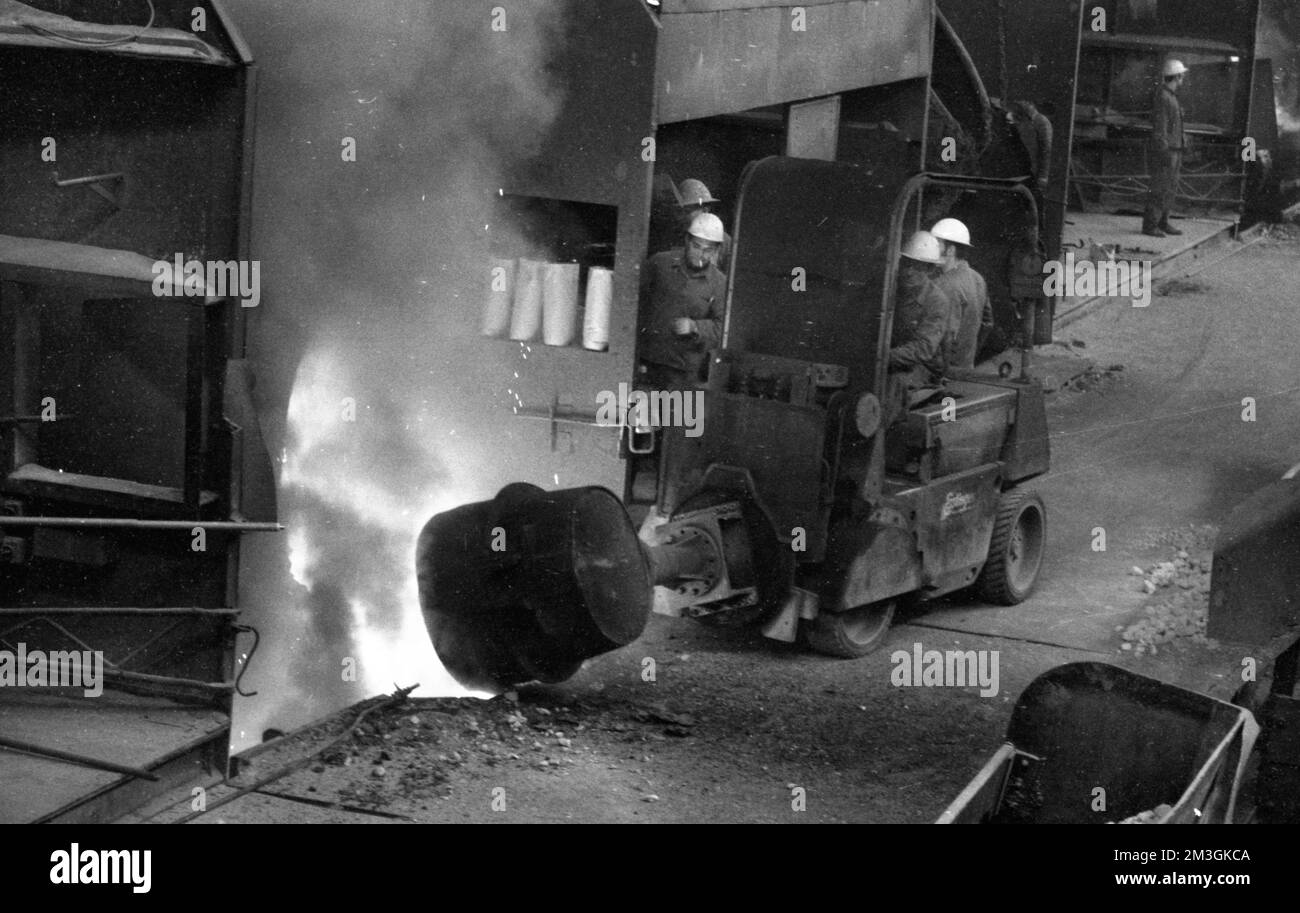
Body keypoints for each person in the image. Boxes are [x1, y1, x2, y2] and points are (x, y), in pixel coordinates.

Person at [637, 211, 727, 390]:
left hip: (682, 373)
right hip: (646, 362)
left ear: (716, 250)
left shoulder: (719, 283)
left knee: (673, 418)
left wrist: (695, 327)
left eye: (708, 249)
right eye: (696, 246)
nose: (700, 254)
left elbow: (722, 329)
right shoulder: (659, 263)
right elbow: (634, 301)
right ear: (687, 240)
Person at [886, 230, 954, 425]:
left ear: (930, 270)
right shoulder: (890, 289)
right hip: (887, 360)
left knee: (893, 385)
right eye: (906, 264)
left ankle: (879, 440)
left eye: (917, 267)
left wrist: (884, 356)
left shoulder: (936, 301)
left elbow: (923, 349)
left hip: (920, 369)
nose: (908, 271)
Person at [930, 217, 993, 371]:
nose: (930, 248)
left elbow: (946, 336)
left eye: (936, 244)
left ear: (951, 250)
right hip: (967, 366)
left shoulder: (945, 285)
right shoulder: (977, 278)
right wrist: (969, 355)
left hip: (945, 372)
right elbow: (988, 323)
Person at [1143, 59, 1188, 238]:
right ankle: (1150, 225)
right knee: (1160, 187)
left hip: (1174, 149)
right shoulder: (1163, 96)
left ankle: (1163, 222)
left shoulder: (1170, 96)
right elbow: (1160, 128)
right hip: (1167, 151)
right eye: (1182, 75)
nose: (1183, 77)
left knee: (1170, 188)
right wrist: (1163, 152)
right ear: (1177, 76)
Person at [676, 178, 732, 271]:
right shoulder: (676, 236)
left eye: (687, 212)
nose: (681, 217)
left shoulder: (724, 242)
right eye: (679, 212)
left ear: (705, 211)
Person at [1011, 99, 1053, 215]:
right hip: (1024, 169)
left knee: (1035, 202)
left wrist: (1043, 176)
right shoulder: (1024, 121)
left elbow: (1046, 150)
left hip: (1034, 172)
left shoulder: (1042, 122)